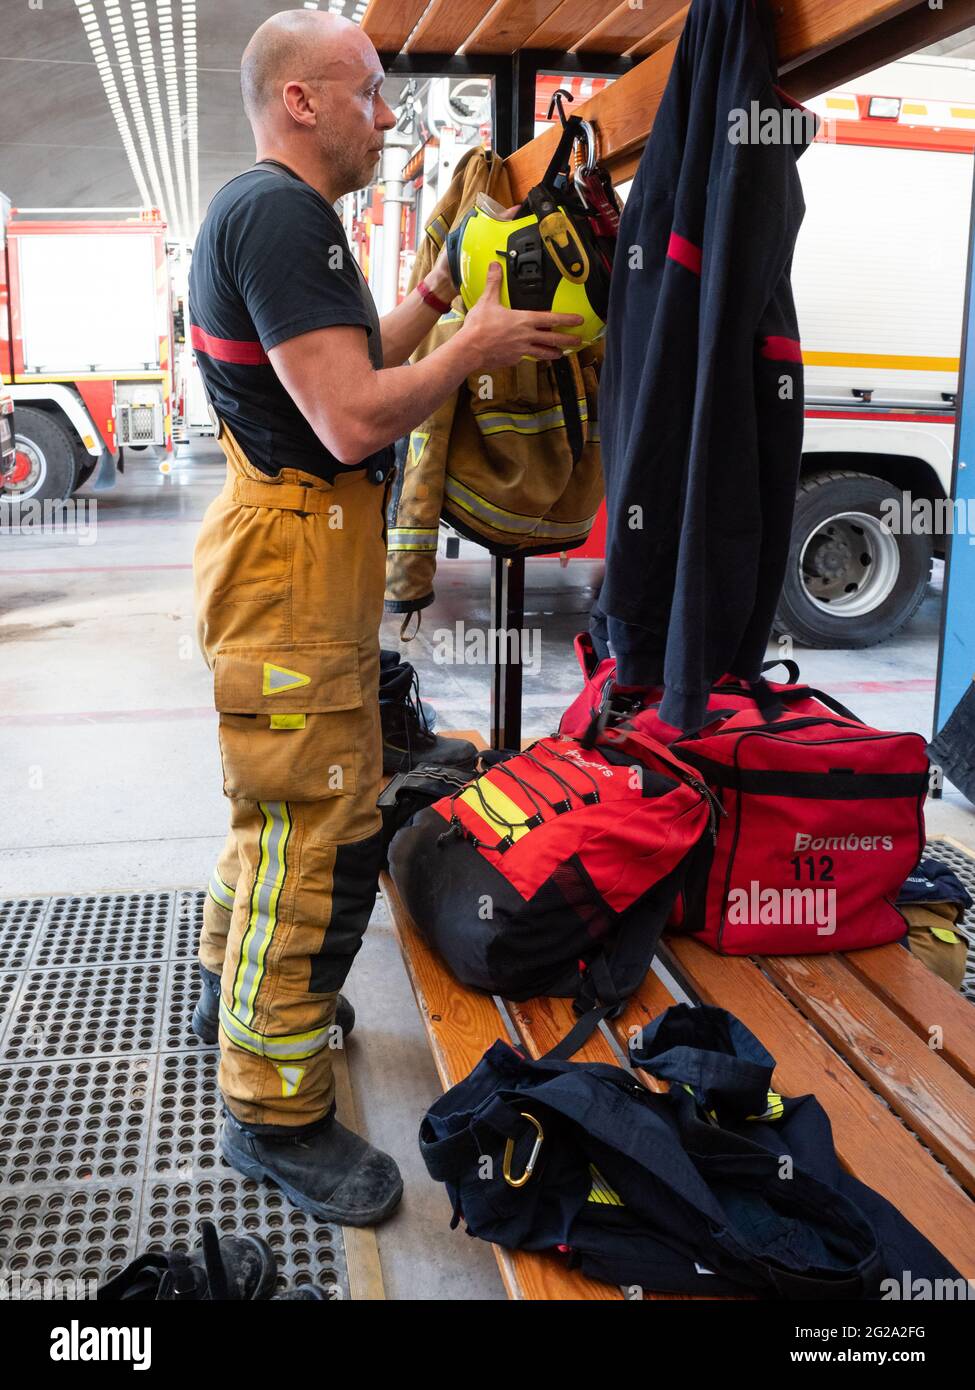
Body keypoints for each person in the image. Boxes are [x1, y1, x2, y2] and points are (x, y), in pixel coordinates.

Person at [187, 7, 585, 1227]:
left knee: (282, 809)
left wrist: (433, 290)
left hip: (301, 552)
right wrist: (468, 346)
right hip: (295, 561)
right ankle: (275, 1110)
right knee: (322, 838)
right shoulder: (276, 215)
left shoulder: (282, 219)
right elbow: (357, 418)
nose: (388, 115)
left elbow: (350, 364)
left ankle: (237, 989)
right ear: (299, 102)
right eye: (367, 93)